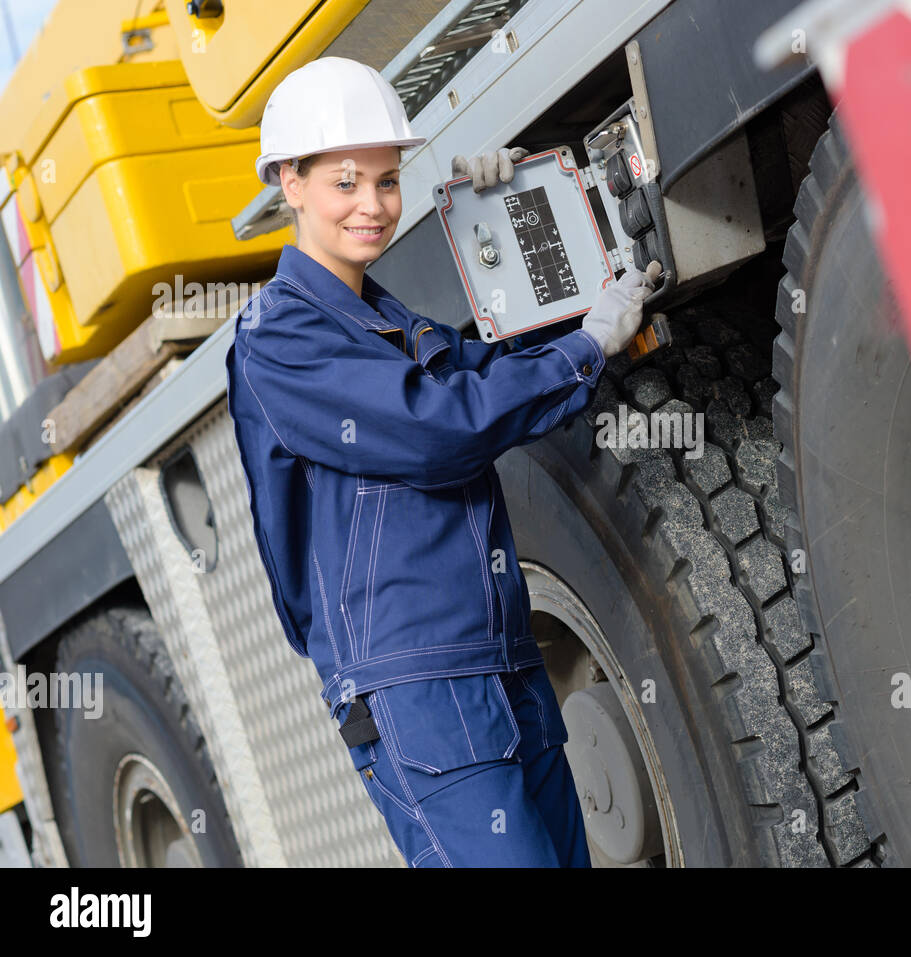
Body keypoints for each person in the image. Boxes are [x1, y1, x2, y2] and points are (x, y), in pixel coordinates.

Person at [224, 57, 662, 867]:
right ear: (289, 181)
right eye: (346, 183)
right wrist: (583, 348)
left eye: (388, 182)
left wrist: (505, 214)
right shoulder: (278, 337)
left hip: (501, 659)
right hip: (417, 687)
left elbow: (492, 379)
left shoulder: (385, 320)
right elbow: (439, 429)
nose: (374, 205)